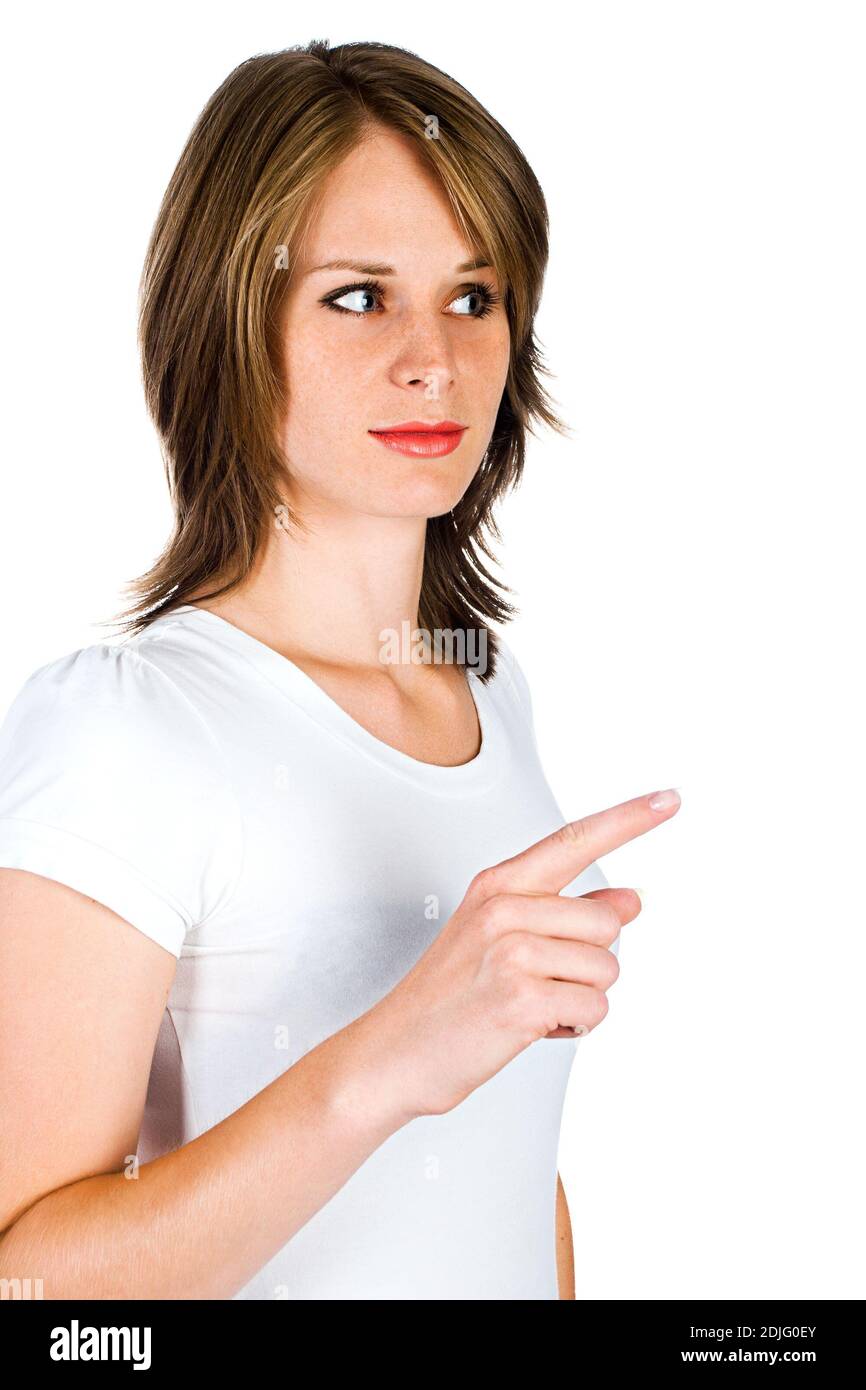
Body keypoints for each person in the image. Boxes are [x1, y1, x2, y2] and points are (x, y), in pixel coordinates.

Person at [0, 40, 680, 1300]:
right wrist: (386, 1058)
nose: (435, 358)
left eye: (474, 297)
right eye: (359, 296)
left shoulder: (484, 690)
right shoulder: (121, 730)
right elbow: (27, 1286)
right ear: (224, 317)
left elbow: (507, 1167)